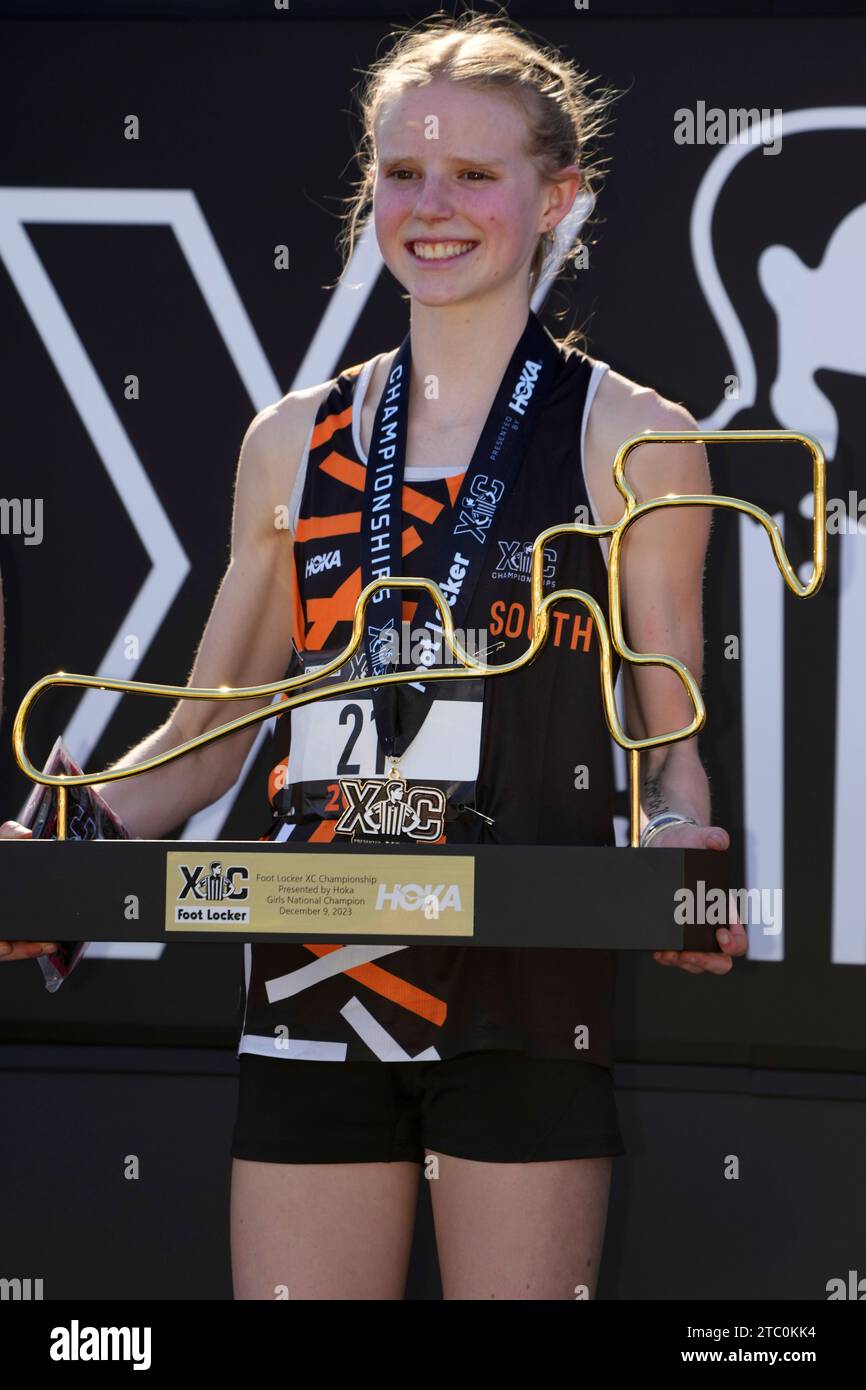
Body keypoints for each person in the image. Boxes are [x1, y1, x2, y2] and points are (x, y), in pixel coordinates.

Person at [0, 13, 747, 1299]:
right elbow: (215, 731)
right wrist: (65, 845)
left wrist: (682, 836)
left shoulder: (634, 438)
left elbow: (664, 728)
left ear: (556, 195)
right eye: (402, 172)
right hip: (314, 979)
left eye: (473, 173)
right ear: (368, 194)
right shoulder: (294, 441)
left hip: (525, 986)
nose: (432, 205)